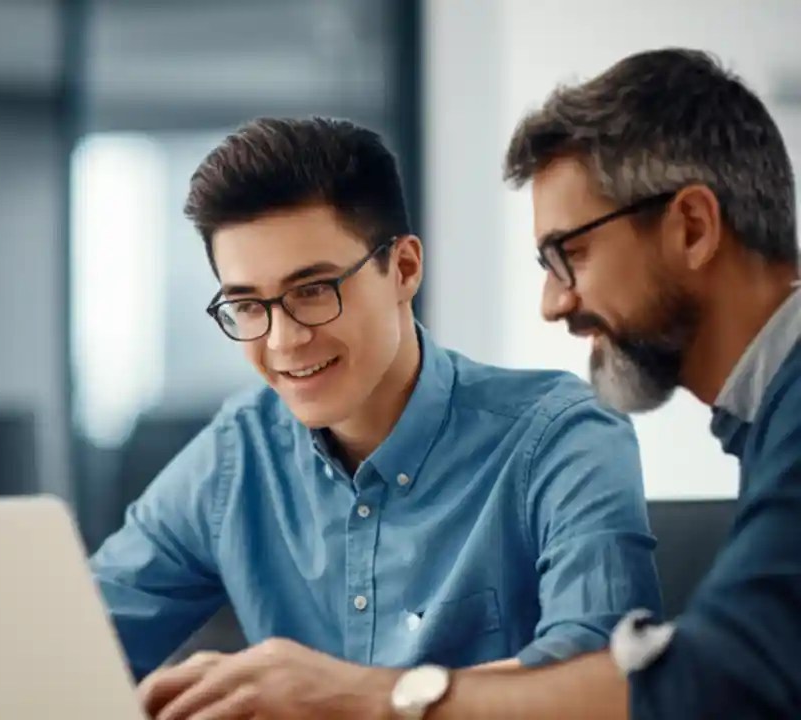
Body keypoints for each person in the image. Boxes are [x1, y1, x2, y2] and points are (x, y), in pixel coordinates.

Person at [136, 48, 801, 720]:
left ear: (692, 227)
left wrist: (366, 699)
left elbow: (710, 685)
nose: (552, 303)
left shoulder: (590, 430)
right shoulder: (769, 420)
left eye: (569, 255)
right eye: (248, 305)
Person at [86, 116, 661, 716]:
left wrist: (354, 699)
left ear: (405, 269)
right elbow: (74, 648)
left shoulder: (563, 435)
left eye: (313, 290)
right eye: (247, 305)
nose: (283, 341)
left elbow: (609, 685)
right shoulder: (237, 453)